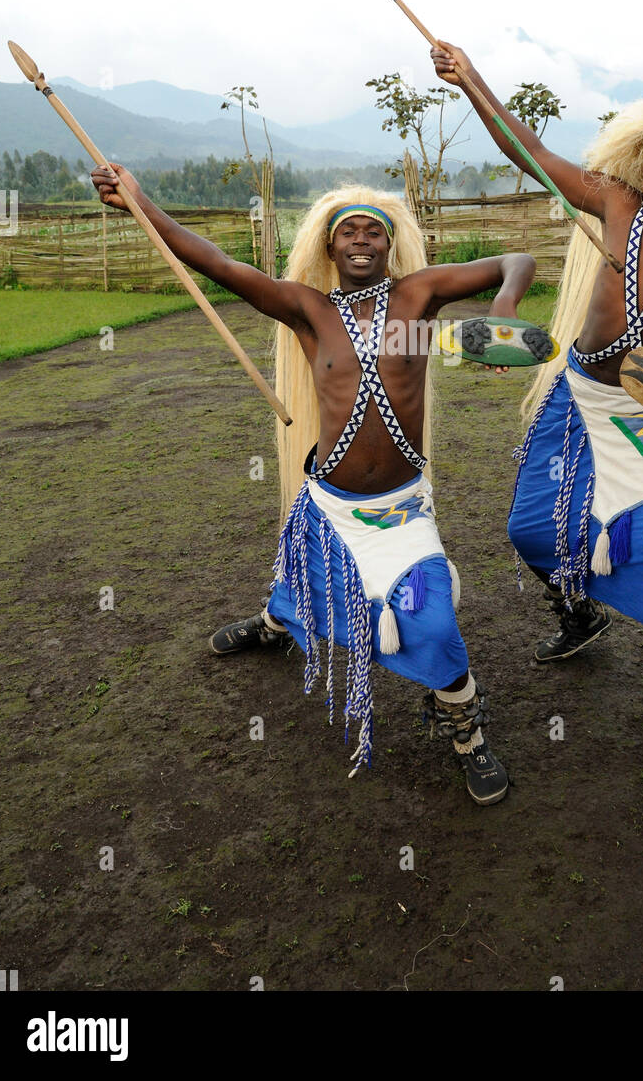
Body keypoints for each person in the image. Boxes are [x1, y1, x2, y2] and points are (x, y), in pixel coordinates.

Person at [91, 166, 537, 804]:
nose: (360, 239)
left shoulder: (418, 297)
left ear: (389, 244)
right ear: (329, 249)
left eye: (372, 231)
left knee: (432, 622)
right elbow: (217, 263)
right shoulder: (310, 311)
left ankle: (465, 726)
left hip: (402, 510)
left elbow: (515, 258)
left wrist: (503, 310)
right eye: (347, 231)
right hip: (330, 501)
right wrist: (142, 204)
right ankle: (278, 624)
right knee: (301, 578)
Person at [430, 43, 643, 798]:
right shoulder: (613, 204)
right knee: (528, 530)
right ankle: (578, 611)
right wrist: (470, 80)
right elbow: (524, 147)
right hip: (574, 397)